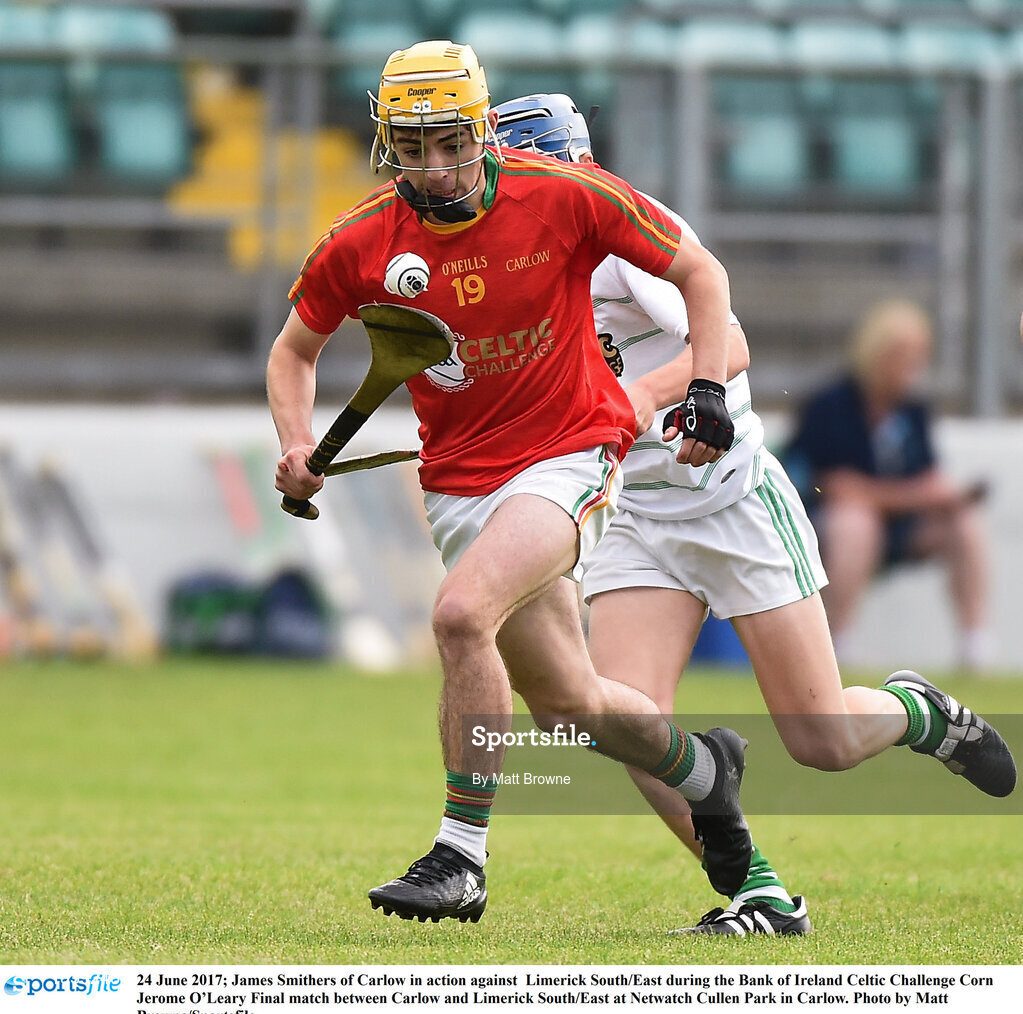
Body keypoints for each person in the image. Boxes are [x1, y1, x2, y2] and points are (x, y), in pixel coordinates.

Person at [493, 93, 1016, 936]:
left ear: (555, 168)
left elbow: (729, 345)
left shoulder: (624, 234)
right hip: (637, 516)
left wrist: (639, 398)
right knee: (623, 719)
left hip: (729, 500)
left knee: (823, 741)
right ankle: (758, 893)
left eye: (506, 170)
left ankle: (920, 714)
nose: (492, 189)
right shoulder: (511, 266)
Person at [267, 41, 755, 925]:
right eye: (408, 148)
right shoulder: (365, 237)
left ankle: (460, 857)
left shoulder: (563, 194)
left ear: (482, 128)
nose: (430, 166)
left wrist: (709, 388)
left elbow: (701, 272)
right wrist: (298, 443)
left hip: (572, 449)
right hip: (459, 480)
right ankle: (704, 771)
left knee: (459, 615)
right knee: (570, 705)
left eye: (447, 141)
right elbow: (294, 349)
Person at [786, 299, 991, 671]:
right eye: (901, 355)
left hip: (900, 526)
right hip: (829, 529)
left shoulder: (913, 411)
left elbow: (928, 475)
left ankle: (973, 642)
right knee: (856, 521)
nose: (910, 368)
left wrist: (944, 496)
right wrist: (914, 495)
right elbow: (836, 487)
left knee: (963, 522)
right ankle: (838, 641)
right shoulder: (830, 405)